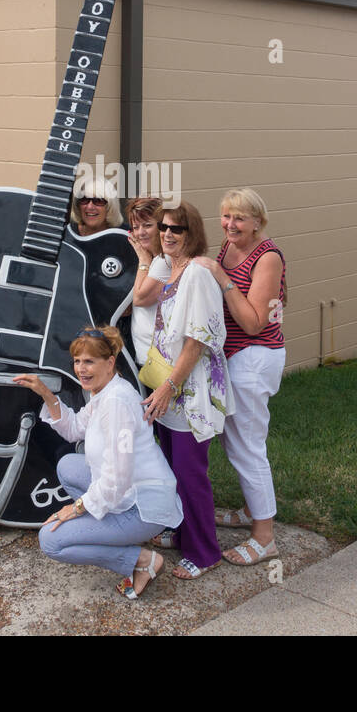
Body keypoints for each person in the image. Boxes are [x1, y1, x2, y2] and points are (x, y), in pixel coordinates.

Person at [14, 325, 182, 601]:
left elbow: (119, 477)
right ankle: (109, 529)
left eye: (89, 361)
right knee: (68, 466)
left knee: (51, 541)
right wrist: (46, 394)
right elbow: (75, 429)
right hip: (128, 494)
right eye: (78, 361)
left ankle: (141, 560)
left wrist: (77, 508)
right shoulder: (105, 391)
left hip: (144, 507)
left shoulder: (117, 403)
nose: (81, 368)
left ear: (110, 362)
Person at [195, 188, 287, 566]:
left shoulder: (268, 257)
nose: (231, 225)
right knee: (237, 445)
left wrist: (219, 276)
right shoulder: (228, 245)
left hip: (255, 357)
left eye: (240, 219)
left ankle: (265, 538)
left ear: (258, 222)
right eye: (226, 216)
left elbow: (252, 322)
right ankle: (253, 510)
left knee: (247, 448)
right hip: (233, 358)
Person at [142, 199, 229, 580]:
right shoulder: (170, 268)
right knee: (172, 469)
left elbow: (198, 340)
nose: (167, 234)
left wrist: (169, 387)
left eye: (176, 229)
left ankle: (205, 551)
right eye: (163, 227)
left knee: (191, 472)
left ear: (191, 233)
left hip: (187, 390)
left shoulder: (197, 274)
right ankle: (181, 533)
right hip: (168, 385)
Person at [125, 196, 168, 366]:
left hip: (160, 362)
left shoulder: (166, 261)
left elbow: (140, 299)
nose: (140, 232)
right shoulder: (153, 259)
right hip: (147, 359)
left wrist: (143, 261)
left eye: (148, 225)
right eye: (136, 227)